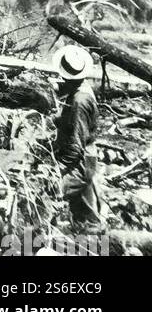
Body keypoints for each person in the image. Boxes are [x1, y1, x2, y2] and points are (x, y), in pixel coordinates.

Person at [53, 45, 104, 229]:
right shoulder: (82, 88)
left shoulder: (79, 101)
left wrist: (57, 170)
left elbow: (76, 145)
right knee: (87, 212)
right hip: (87, 157)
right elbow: (67, 88)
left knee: (50, 191)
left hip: (79, 162)